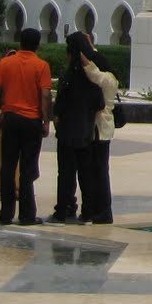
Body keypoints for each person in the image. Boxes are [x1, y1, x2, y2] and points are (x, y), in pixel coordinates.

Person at [0, 27, 52, 225]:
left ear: (20, 43)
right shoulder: (42, 66)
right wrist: (45, 121)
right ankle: (27, 215)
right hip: (31, 121)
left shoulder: (6, 62)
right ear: (37, 45)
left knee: (7, 166)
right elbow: (45, 95)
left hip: (11, 118)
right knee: (27, 169)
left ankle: (6, 214)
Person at [50, 32, 104, 224]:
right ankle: (87, 211)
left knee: (65, 173)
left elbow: (60, 104)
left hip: (67, 132)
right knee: (85, 173)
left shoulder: (69, 76)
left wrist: (57, 116)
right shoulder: (91, 76)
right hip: (85, 132)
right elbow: (99, 103)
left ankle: (63, 210)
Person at [69, 32, 118, 224]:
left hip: (99, 130)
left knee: (98, 172)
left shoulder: (106, 80)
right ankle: (98, 209)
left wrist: (82, 52)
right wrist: (90, 48)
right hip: (101, 129)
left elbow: (92, 71)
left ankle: (103, 211)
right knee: (97, 172)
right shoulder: (110, 78)